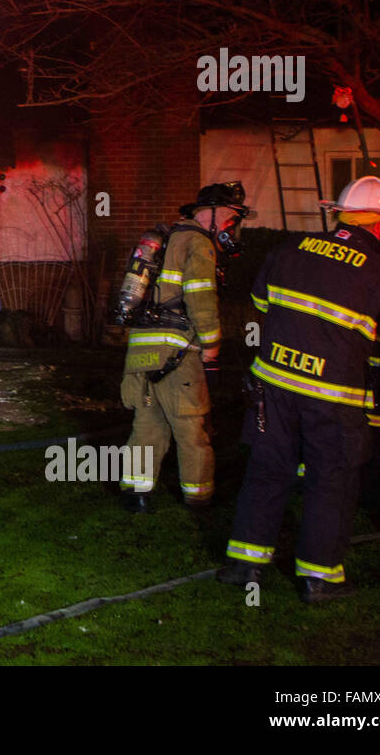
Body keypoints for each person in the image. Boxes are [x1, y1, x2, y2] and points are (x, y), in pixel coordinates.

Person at [218, 176, 380, 602]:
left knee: (267, 470)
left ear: (338, 213)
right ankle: (318, 578)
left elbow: (263, 303)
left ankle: (245, 564)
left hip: (274, 385)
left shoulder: (291, 249)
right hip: (334, 398)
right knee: (331, 481)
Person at [118, 181, 253, 512]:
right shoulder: (197, 242)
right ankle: (198, 498)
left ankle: (136, 494)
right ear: (212, 213)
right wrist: (211, 343)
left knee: (147, 425)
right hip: (177, 353)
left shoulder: (167, 239)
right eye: (230, 218)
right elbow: (200, 296)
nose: (230, 227)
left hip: (141, 349)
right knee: (193, 428)